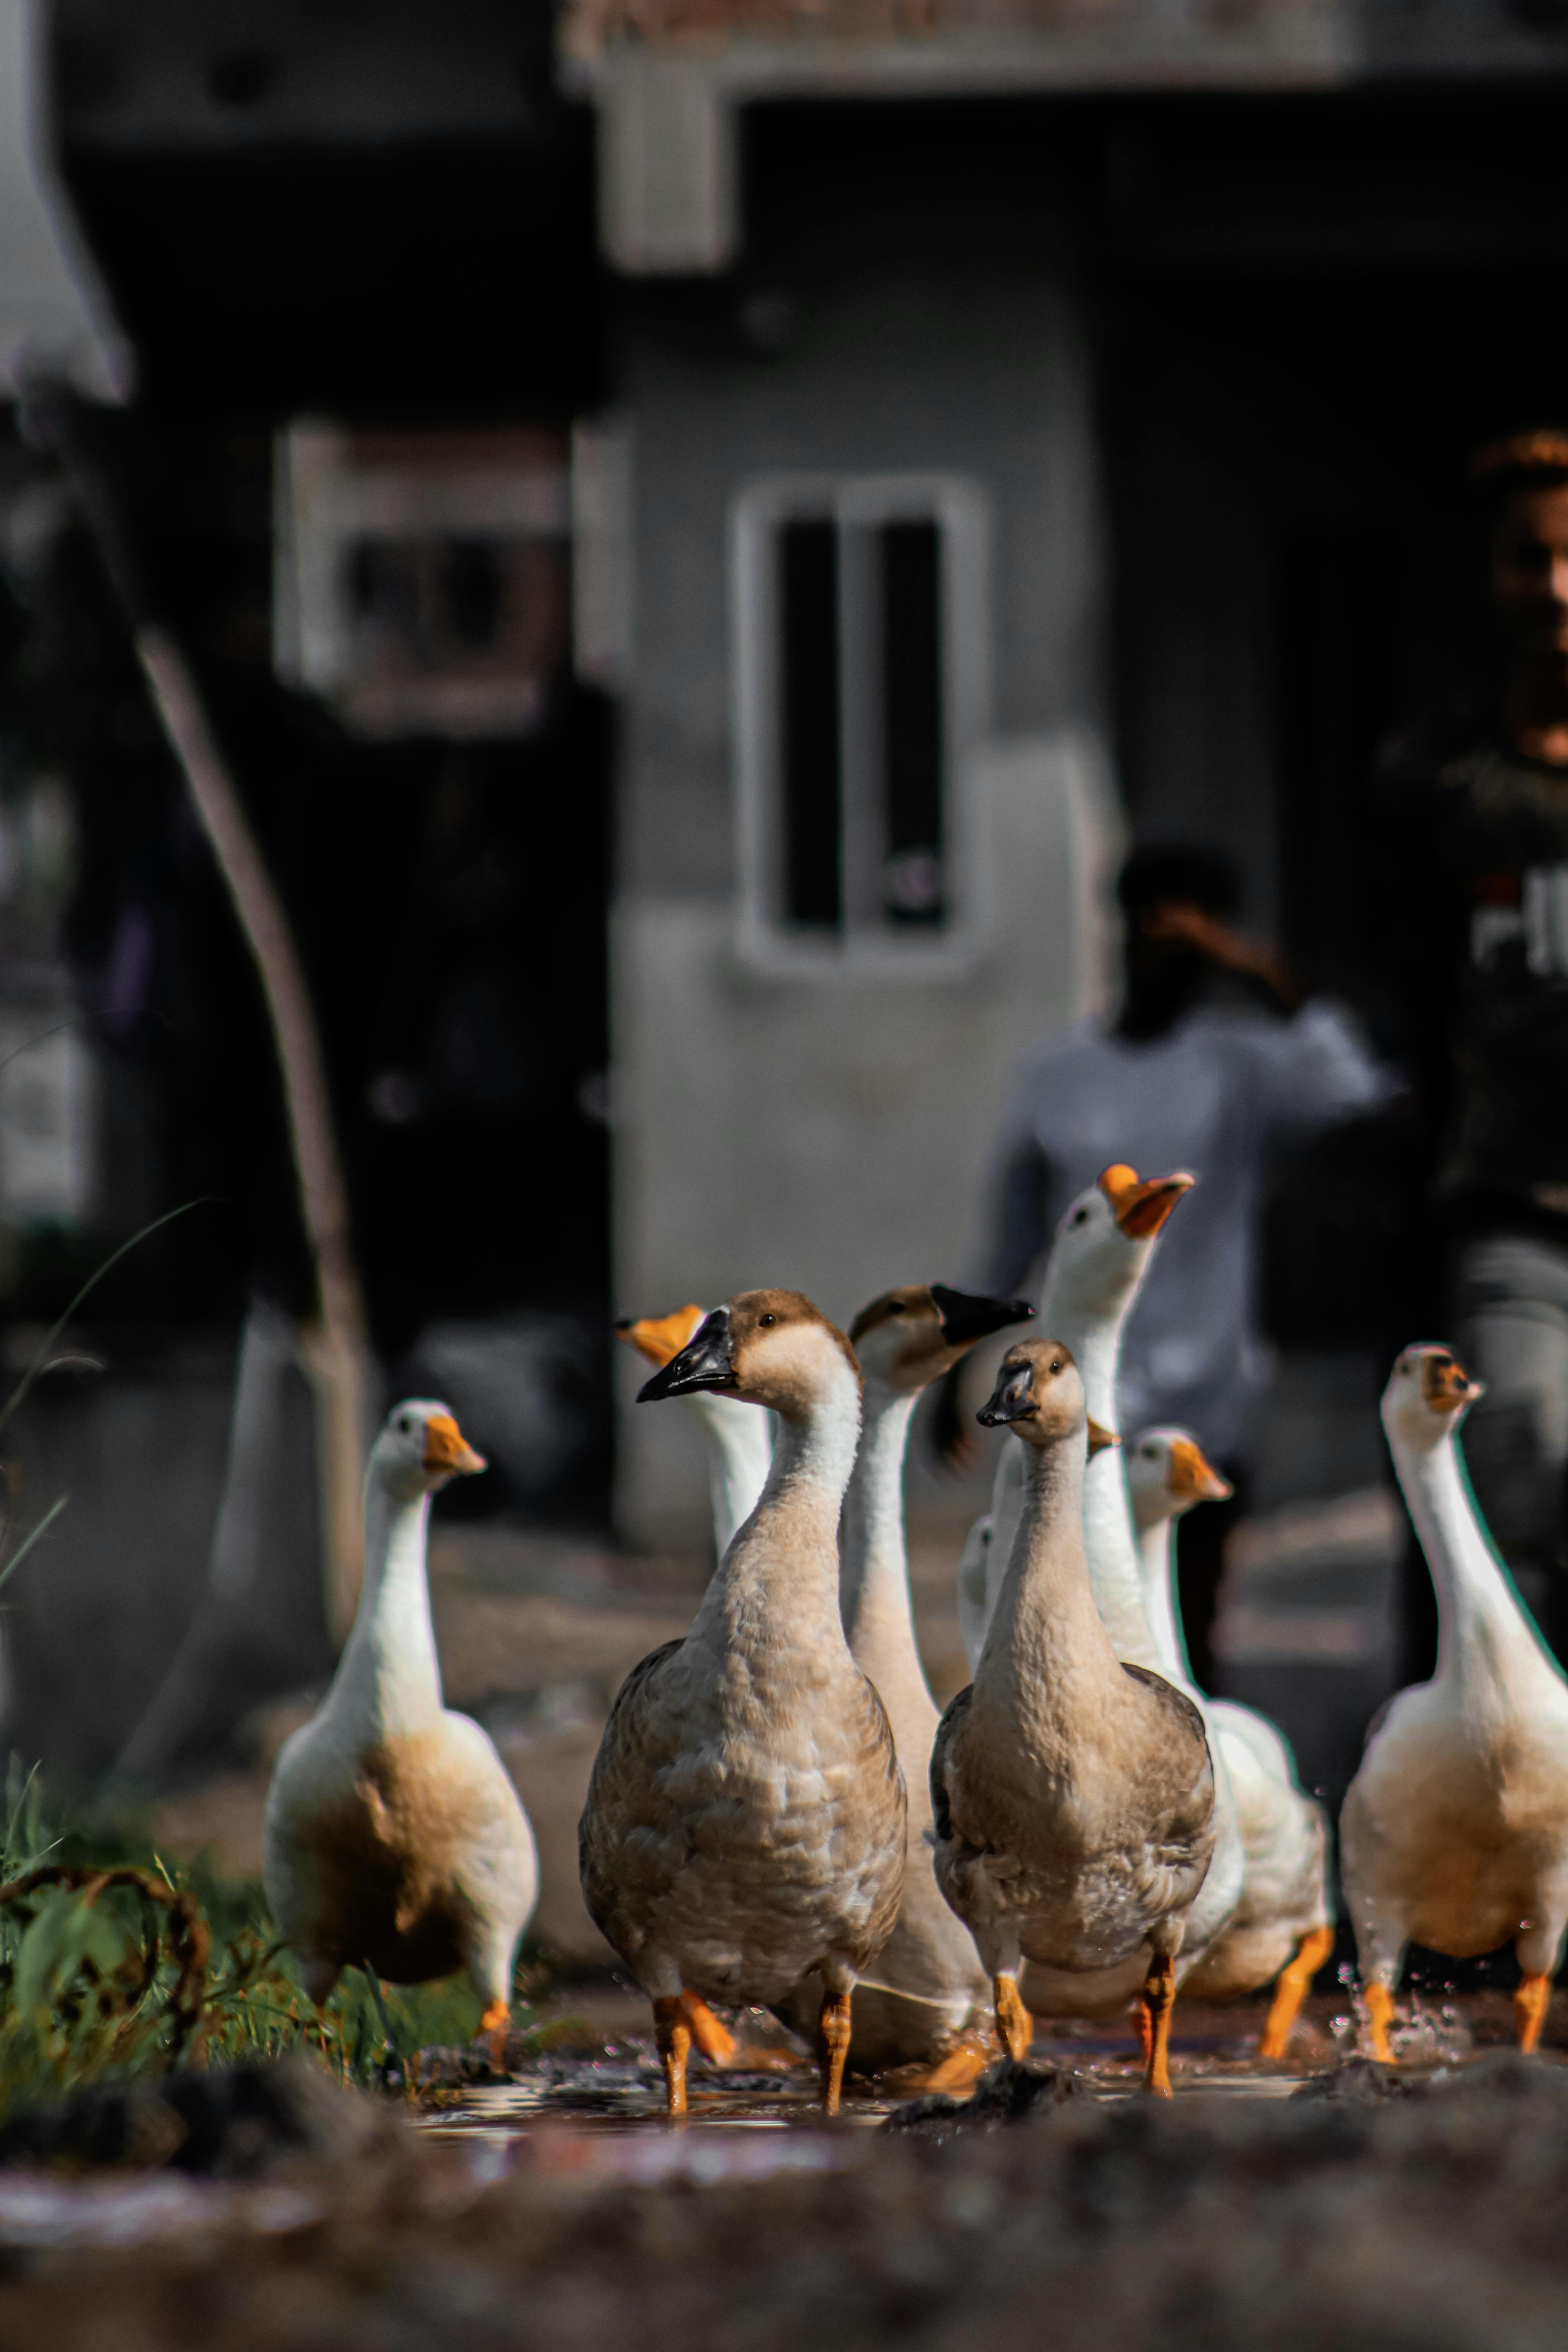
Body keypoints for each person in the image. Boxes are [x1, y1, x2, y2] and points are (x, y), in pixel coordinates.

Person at [951, 840, 1396, 1688]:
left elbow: (1356, 1092)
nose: (1165, 946)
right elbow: (1012, 1241)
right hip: (1085, 1400)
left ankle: (1192, 1755)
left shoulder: (1242, 1063)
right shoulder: (1055, 1075)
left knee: (1186, 1625)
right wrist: (954, 1363)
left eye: (1192, 932)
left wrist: (1258, 973)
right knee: (1080, 1618)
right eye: (1150, 923)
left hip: (1210, 1397)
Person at [1374, 428, 1568, 1674]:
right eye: (1527, 557)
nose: (1555, 587)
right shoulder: (1438, 780)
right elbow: (1399, 997)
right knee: (1521, 1489)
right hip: (1510, 1213)